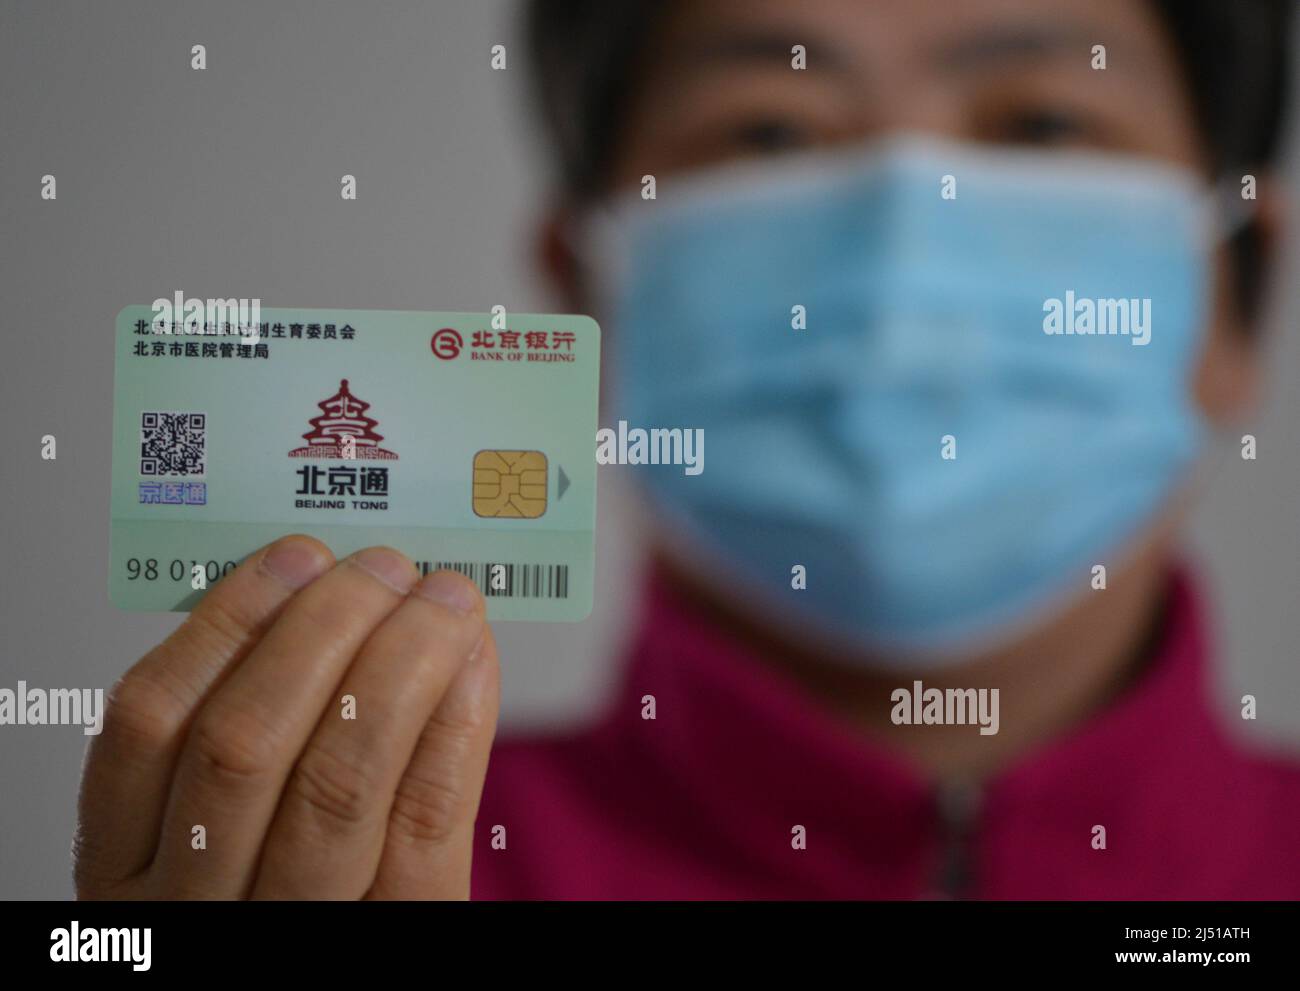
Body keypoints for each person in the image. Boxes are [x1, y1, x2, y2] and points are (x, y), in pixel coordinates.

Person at [75, 0, 1298, 900]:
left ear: (1241, 285)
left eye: (1040, 120)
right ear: (583, 297)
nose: (897, 239)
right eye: (769, 131)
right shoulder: (328, 861)